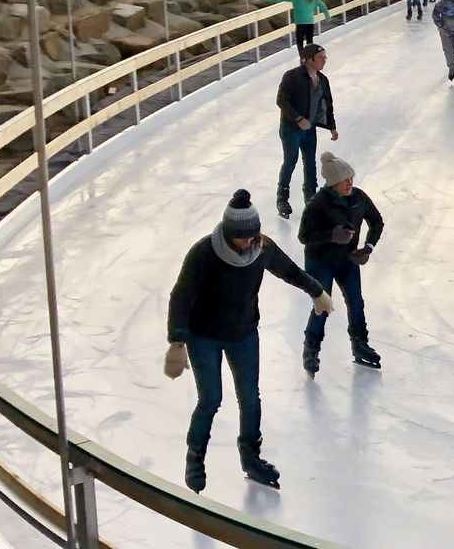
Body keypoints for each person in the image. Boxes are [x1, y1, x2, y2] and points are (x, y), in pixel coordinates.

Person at [164, 189, 333, 492]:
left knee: (250, 397)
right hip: (204, 336)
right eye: (240, 238)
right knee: (211, 399)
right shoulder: (204, 253)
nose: (246, 243)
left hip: (243, 333)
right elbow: (181, 295)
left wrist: (317, 291)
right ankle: (195, 456)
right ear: (228, 234)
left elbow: (290, 271)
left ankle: (250, 456)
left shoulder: (262, 248)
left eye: (251, 237)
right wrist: (177, 342)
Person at [298, 152, 385, 374]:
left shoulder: (359, 198)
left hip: (348, 260)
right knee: (323, 305)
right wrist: (331, 235)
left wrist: (368, 248)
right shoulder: (318, 203)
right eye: (343, 181)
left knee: (356, 302)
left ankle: (360, 345)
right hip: (320, 262)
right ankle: (311, 349)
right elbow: (304, 236)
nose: (349, 184)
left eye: (350, 179)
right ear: (332, 183)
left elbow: (377, 222)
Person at [275, 43, 338, 218]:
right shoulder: (292, 77)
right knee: (291, 161)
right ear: (309, 60)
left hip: (310, 128)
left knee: (310, 163)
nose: (324, 60)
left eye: (325, 57)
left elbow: (328, 105)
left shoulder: (323, 80)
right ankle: (282, 197)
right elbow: (281, 101)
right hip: (291, 129)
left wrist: (332, 126)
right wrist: (298, 118)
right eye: (320, 58)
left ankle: (310, 196)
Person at [262, 0, 331, 52]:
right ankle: (310, 57)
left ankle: (302, 57)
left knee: (300, 41)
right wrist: (327, 17)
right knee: (310, 41)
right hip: (310, 22)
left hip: (300, 22)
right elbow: (322, 6)